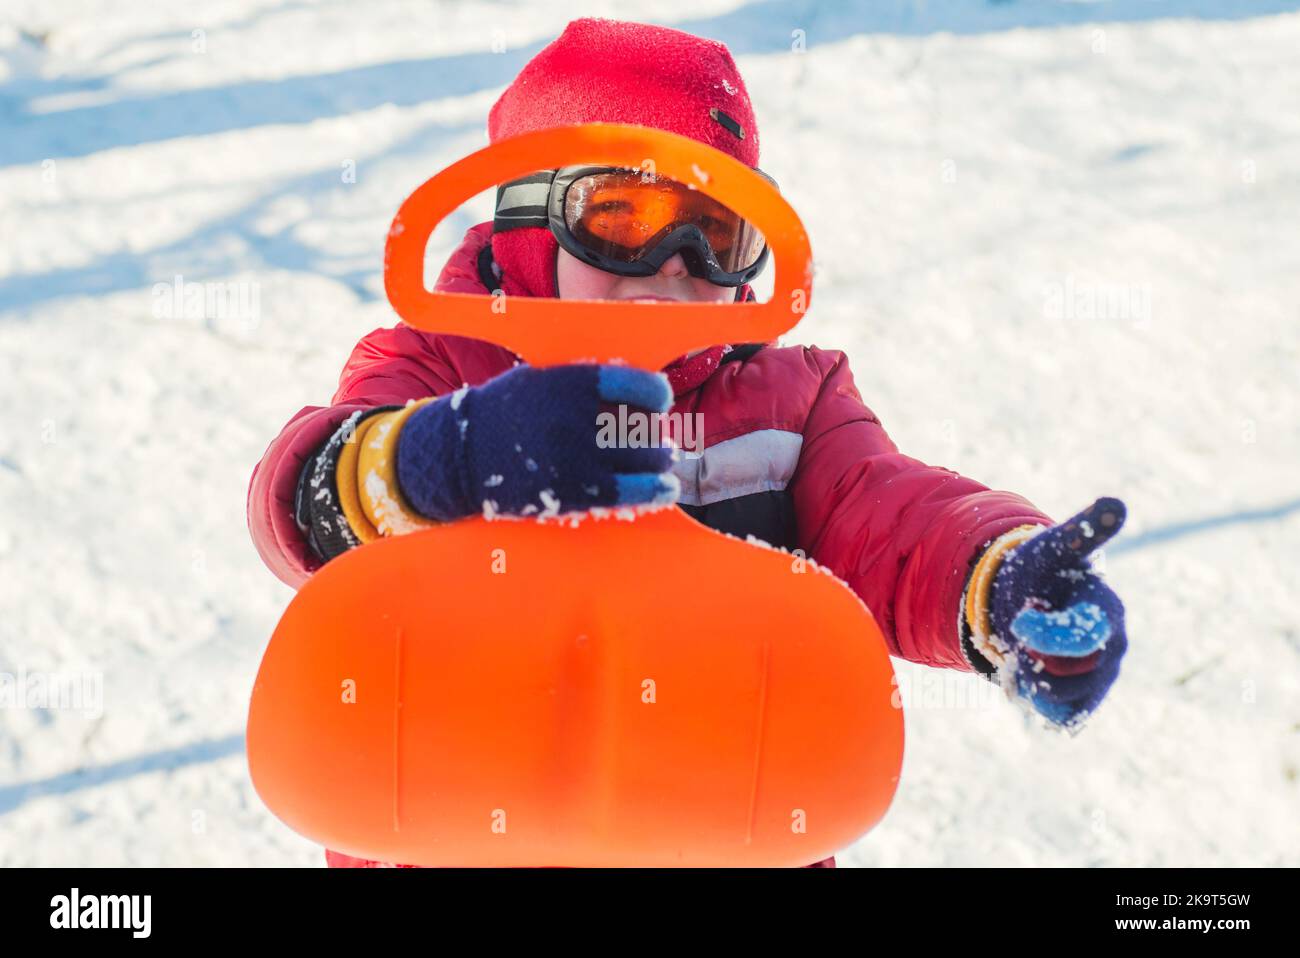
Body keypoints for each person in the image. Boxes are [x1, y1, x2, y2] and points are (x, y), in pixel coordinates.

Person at [247, 17, 1129, 868]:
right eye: (624, 219)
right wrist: (442, 457)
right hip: (451, 823)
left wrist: (993, 574)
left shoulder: (791, 403)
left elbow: (888, 516)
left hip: (716, 820)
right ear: (524, 220)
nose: (674, 265)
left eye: (714, 233)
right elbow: (303, 501)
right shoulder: (434, 371)